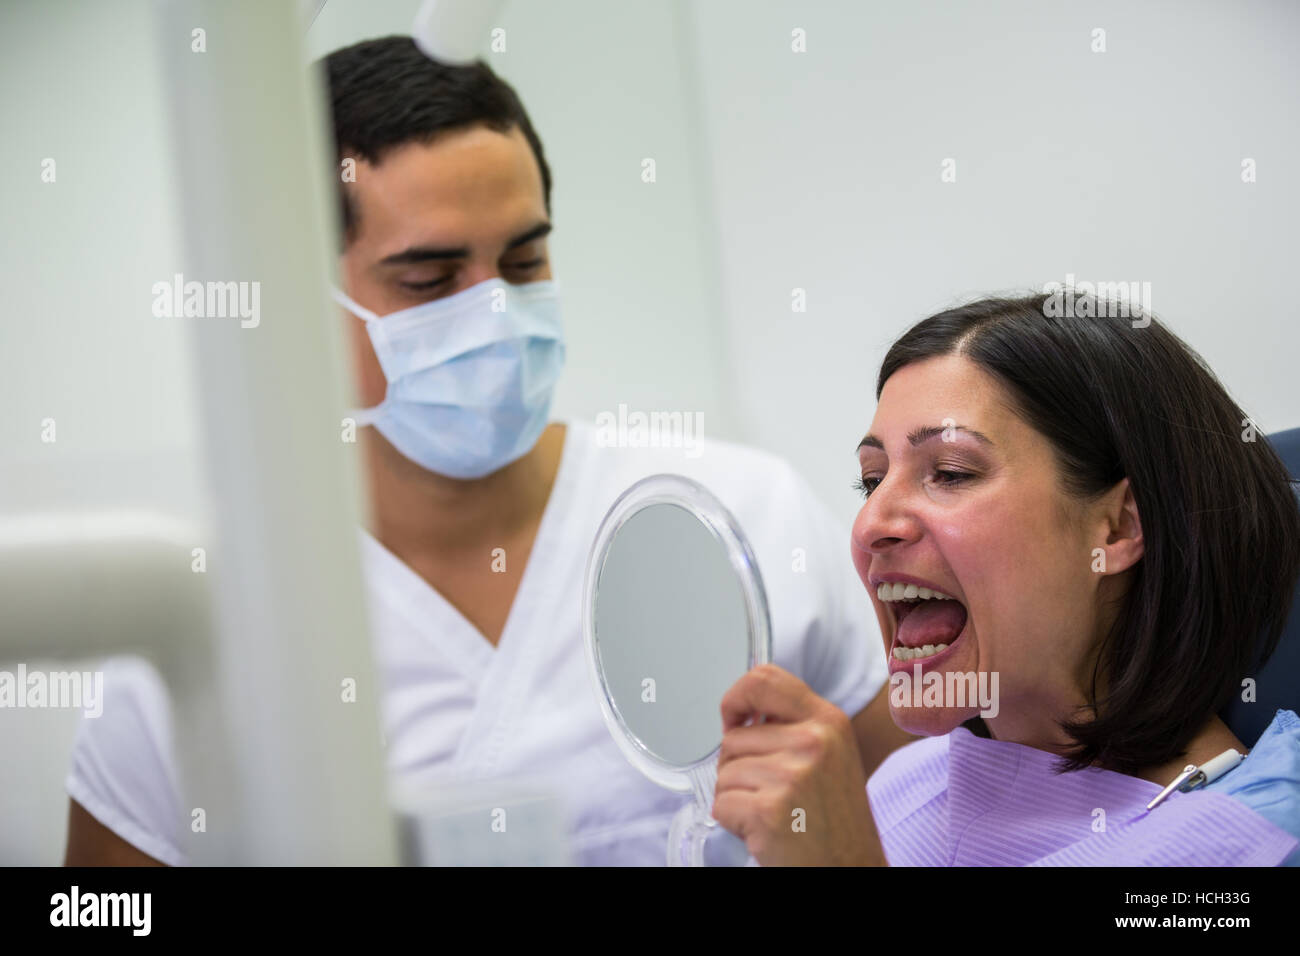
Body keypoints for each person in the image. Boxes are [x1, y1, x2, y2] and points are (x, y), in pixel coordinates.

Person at [61, 35, 910, 866]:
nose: (497, 313)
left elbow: (920, 830)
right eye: (429, 280)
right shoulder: (202, 638)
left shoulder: (747, 518)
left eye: (524, 259)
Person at [711, 293, 1300, 866]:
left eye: (949, 471)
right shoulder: (906, 779)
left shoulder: (1246, 845)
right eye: (872, 481)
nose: (870, 525)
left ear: (1118, 529)